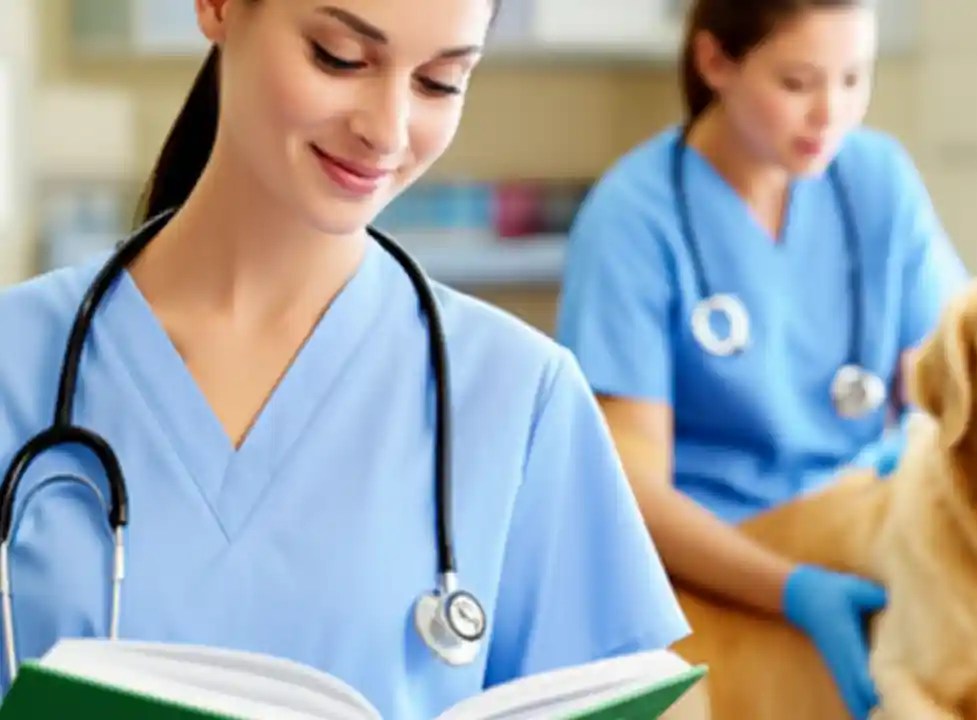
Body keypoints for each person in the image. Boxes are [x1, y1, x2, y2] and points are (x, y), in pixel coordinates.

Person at [0, 1, 690, 717]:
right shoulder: (16, 363)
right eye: (338, 56)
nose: (385, 130)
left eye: (439, 82)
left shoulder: (519, 397)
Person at [555, 0, 968, 717]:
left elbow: (952, 391)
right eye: (798, 82)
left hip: (867, 544)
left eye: (852, 79)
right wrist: (792, 588)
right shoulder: (634, 216)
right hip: (704, 572)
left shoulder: (877, 181)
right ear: (715, 61)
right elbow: (631, 490)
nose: (829, 114)